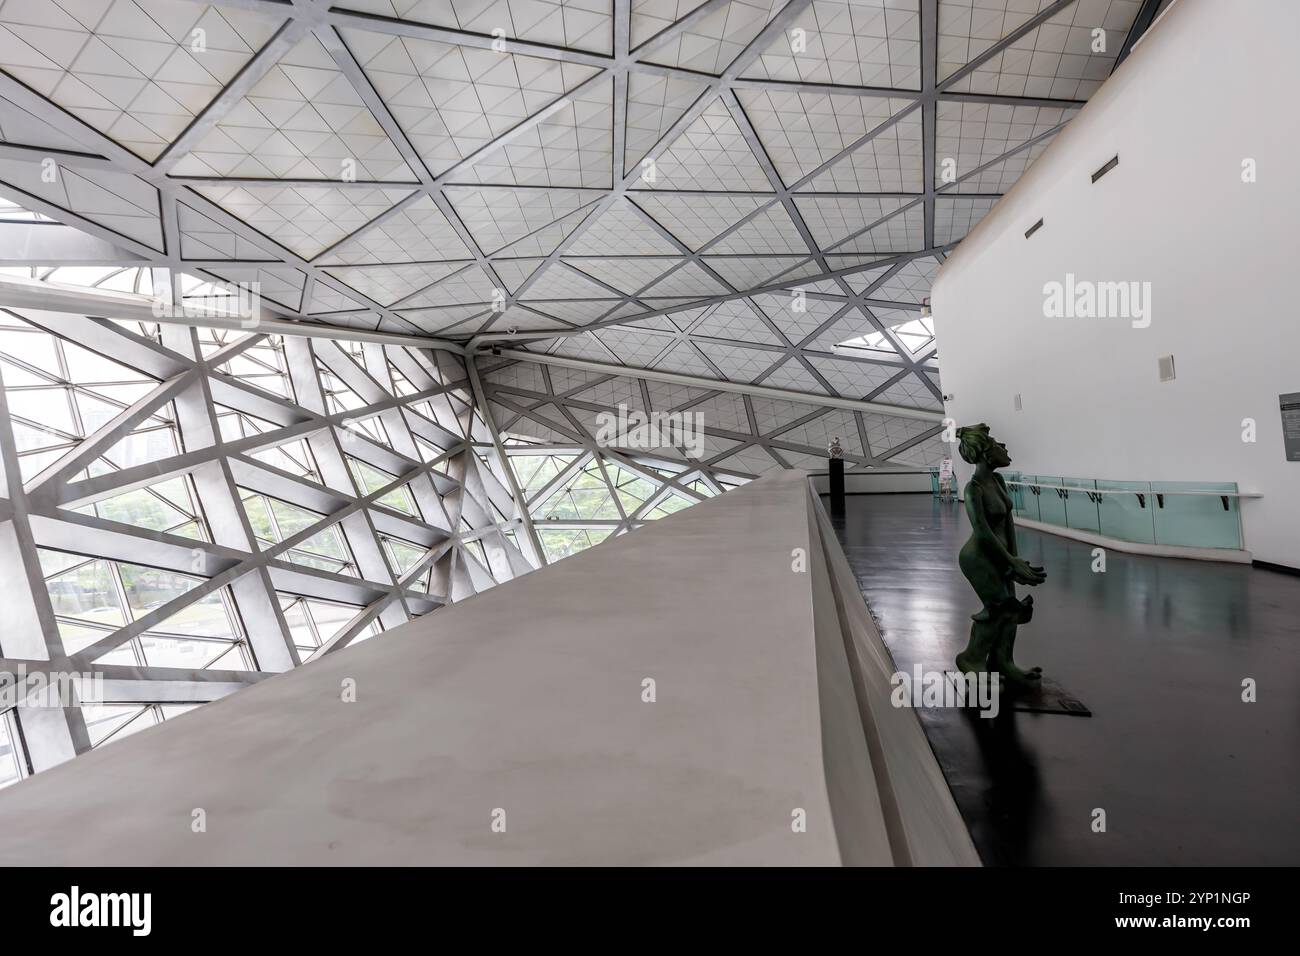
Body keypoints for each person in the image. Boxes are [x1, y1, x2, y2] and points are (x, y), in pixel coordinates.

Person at [953, 423, 1046, 687]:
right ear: (983, 452)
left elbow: (1007, 523)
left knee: (1010, 611)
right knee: (998, 609)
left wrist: (1014, 560)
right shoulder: (974, 489)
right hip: (978, 558)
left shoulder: (997, 480)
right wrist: (1009, 560)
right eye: (995, 443)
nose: (1002, 447)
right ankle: (971, 658)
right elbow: (982, 531)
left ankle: (1003, 661)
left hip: (1001, 555)